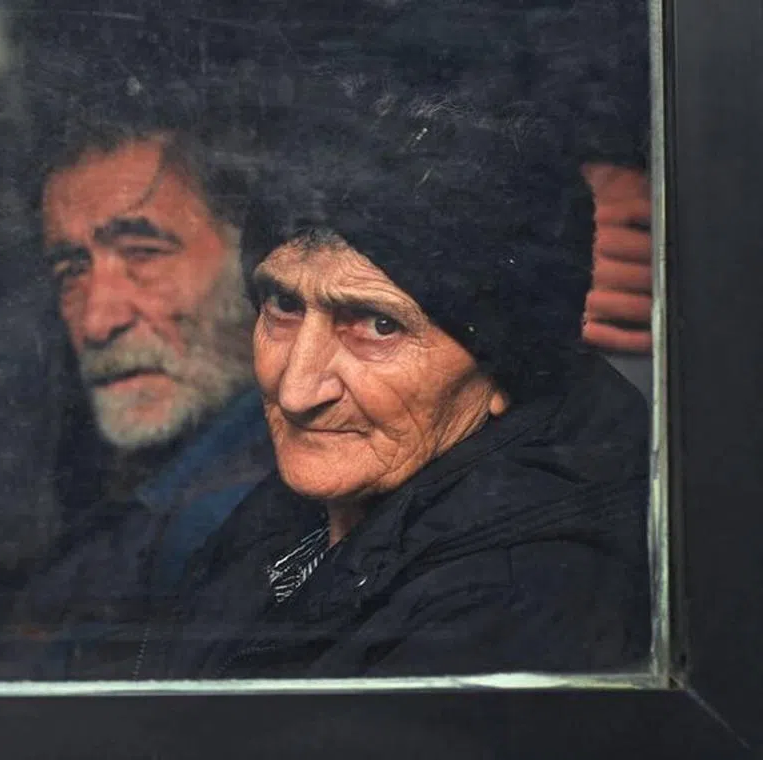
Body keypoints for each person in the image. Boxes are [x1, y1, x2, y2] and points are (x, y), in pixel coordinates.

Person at [147, 92, 651, 679]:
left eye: (377, 326)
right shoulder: (309, 515)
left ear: (504, 368)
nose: (296, 390)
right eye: (283, 305)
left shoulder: (501, 611)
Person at [0, 121, 276, 679]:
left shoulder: (244, 520)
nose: (99, 320)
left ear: (255, 263)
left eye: (144, 252)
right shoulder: (134, 494)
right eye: (71, 269)